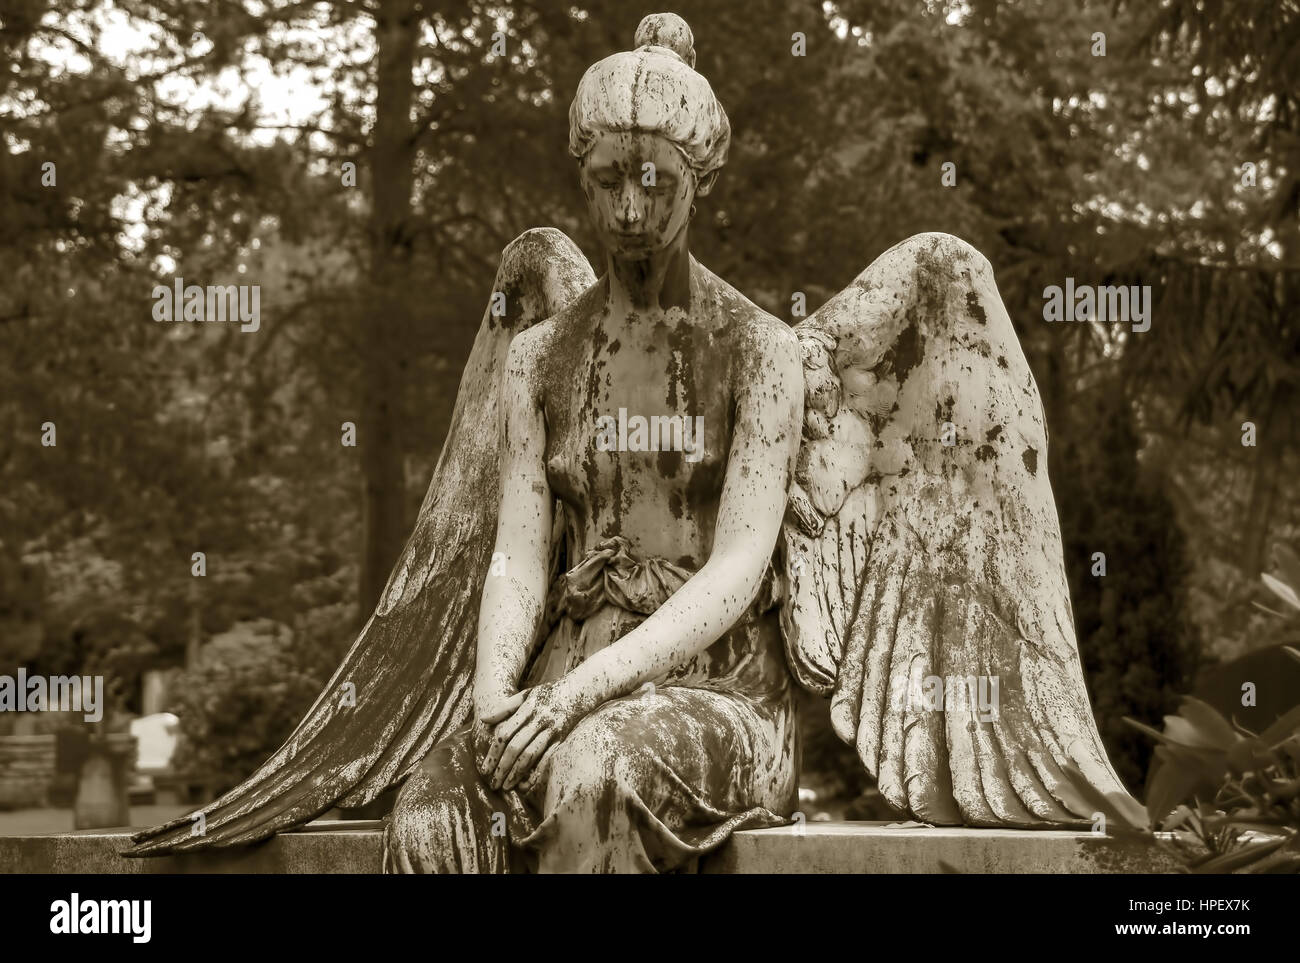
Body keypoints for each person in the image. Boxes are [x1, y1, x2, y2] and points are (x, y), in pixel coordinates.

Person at [383, 12, 806, 873]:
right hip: (557, 680)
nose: (629, 208)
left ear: (700, 181)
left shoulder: (759, 350)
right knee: (431, 810)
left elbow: (738, 567)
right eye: (609, 179)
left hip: (716, 693)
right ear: (584, 176)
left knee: (595, 769)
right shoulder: (539, 356)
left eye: (657, 183)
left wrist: (576, 695)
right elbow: (518, 556)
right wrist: (499, 701)